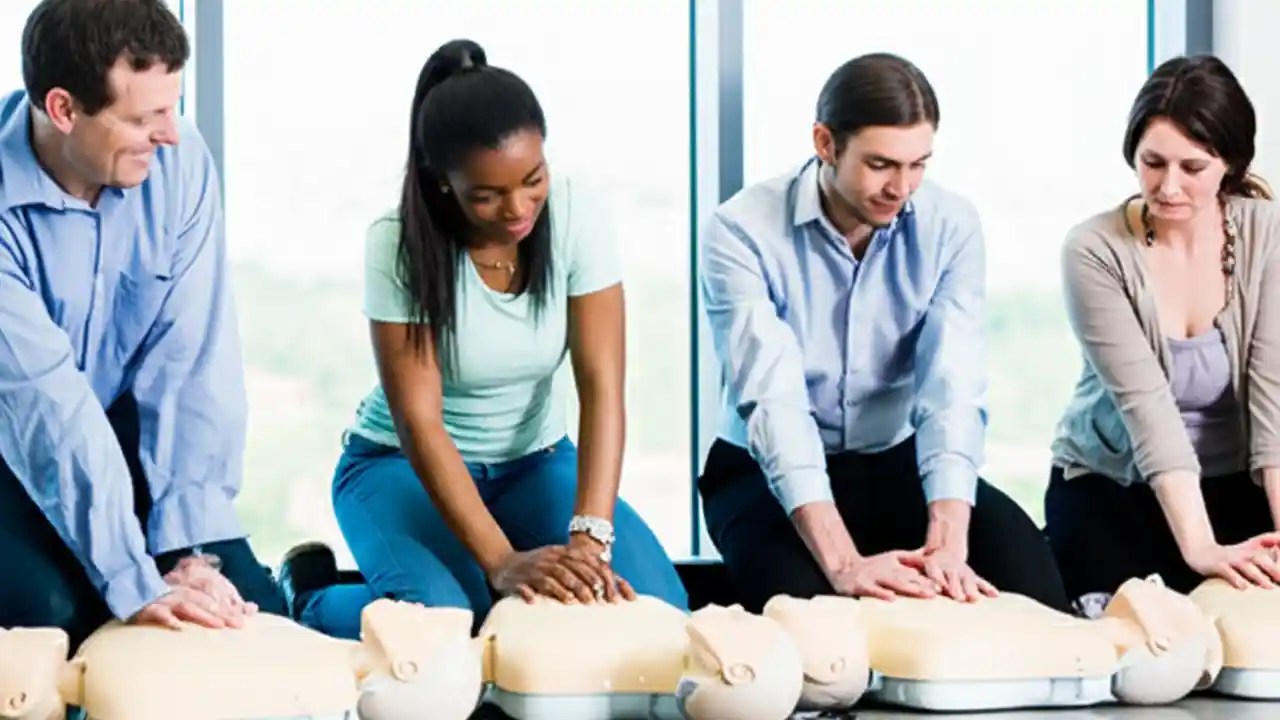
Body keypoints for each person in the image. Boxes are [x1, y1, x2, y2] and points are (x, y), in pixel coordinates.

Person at [278, 39, 688, 640]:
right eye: (487, 195)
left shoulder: (577, 214)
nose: (518, 208)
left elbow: (602, 387)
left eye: (532, 179)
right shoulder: (397, 242)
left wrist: (589, 539)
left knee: (656, 610)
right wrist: (501, 561)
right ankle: (309, 597)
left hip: (535, 462)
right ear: (442, 182)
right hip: (400, 465)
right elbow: (420, 423)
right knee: (453, 621)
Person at [697, 52, 1072, 615]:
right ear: (825, 143)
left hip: (896, 462)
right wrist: (844, 564)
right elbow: (775, 403)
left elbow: (952, 386)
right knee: (819, 628)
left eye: (918, 164)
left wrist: (948, 543)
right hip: (762, 473)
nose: (901, 188)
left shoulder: (951, 225)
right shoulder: (740, 231)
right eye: (880, 165)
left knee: (1037, 598)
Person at [0, 0, 285, 650]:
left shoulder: (178, 164)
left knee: (251, 610)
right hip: (12, 435)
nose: (170, 134)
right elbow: (47, 408)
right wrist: (135, 580)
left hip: (116, 422)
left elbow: (190, 364)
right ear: (63, 109)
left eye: (171, 107)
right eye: (142, 118)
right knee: (57, 614)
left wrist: (190, 552)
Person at [1044, 54, 1280, 616]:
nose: (1168, 186)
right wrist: (1200, 549)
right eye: (1153, 163)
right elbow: (1147, 407)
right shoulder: (1094, 250)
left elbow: (1273, 396)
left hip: (1236, 486)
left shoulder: (1268, 234)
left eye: (1192, 168)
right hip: (1114, 490)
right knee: (1138, 639)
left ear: (1230, 164)